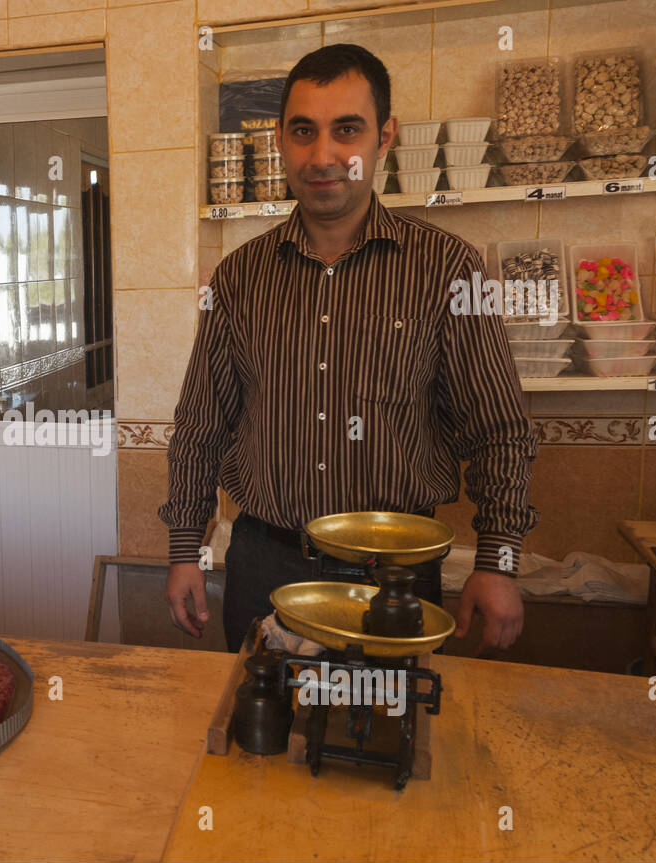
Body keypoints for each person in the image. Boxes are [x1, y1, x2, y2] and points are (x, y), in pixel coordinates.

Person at [160, 44, 539, 655]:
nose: (323, 155)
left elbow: (499, 429)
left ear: (384, 138)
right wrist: (186, 549)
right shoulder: (239, 277)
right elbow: (202, 423)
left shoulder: (448, 269)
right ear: (280, 139)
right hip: (264, 565)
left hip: (392, 575)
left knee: (387, 733)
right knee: (260, 739)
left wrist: (497, 561)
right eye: (303, 131)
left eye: (347, 130)